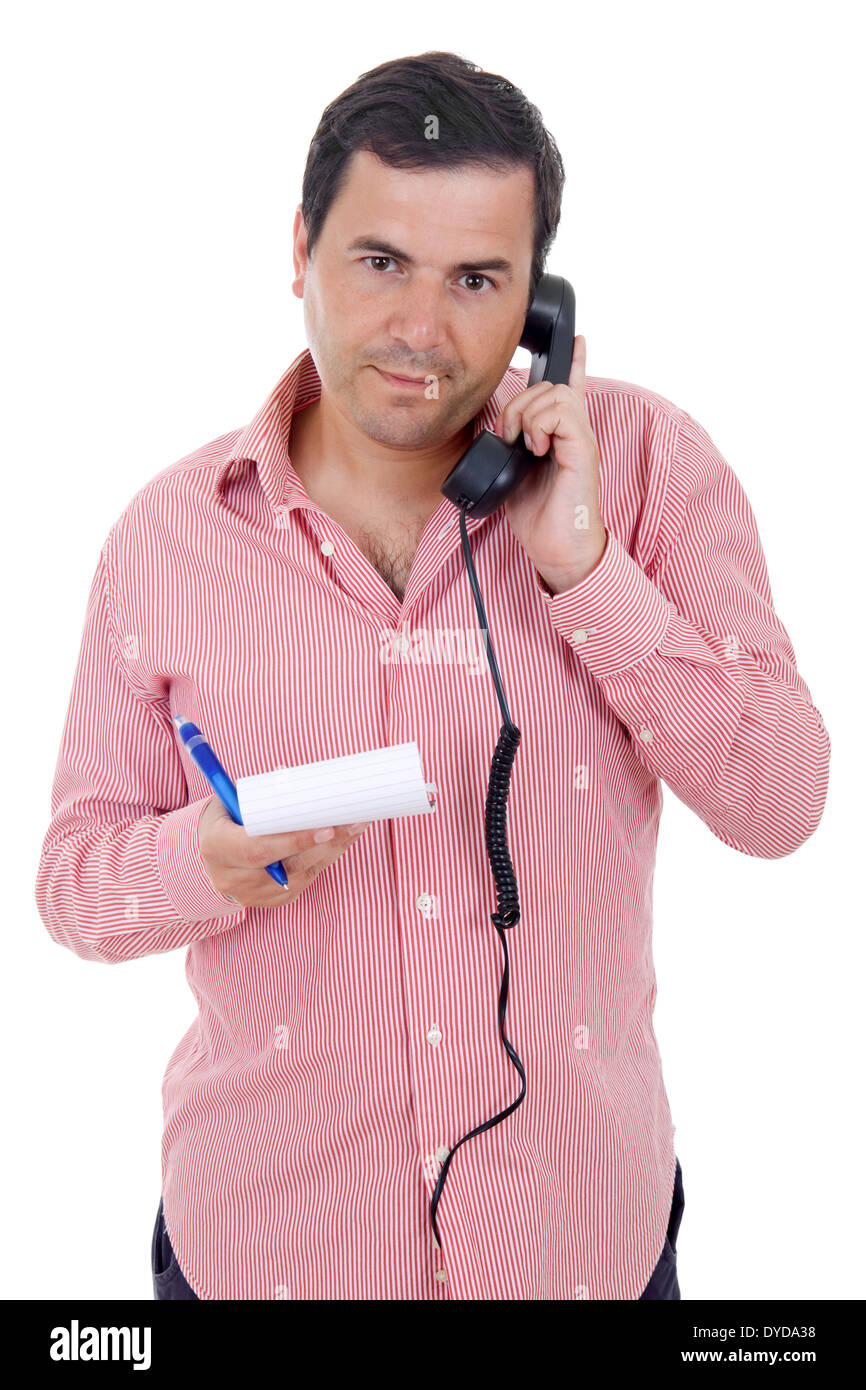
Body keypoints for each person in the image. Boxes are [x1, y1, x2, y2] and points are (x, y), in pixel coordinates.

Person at [35, 51, 830, 1301]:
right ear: (297, 250)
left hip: (577, 1255)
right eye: (377, 262)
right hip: (266, 1257)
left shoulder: (646, 467)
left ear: (537, 300)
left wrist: (586, 573)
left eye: (475, 279)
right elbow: (72, 884)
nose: (419, 329)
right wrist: (204, 859)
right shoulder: (165, 537)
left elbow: (781, 803)